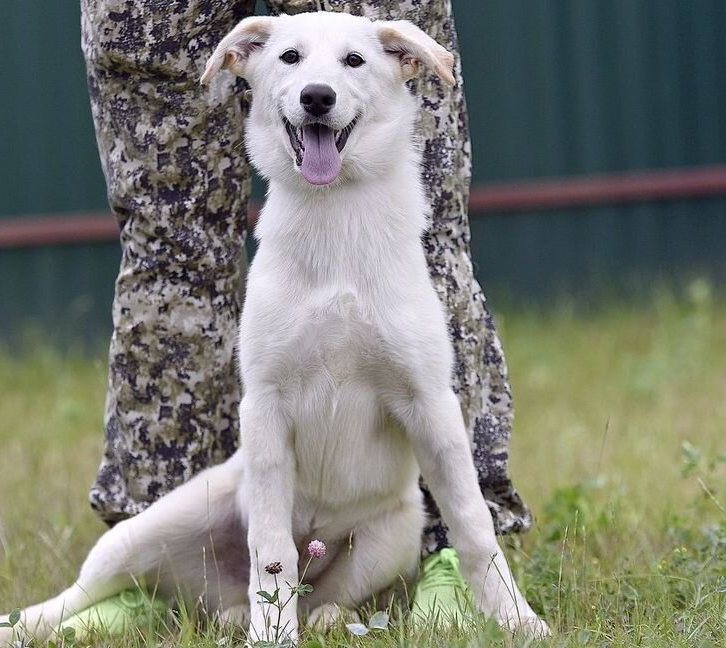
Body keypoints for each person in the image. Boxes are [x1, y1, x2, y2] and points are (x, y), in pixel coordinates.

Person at [71, 0, 532, 633]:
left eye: (348, 60)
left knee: (440, 247)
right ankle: (149, 582)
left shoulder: (386, 68)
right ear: (244, 60)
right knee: (171, 249)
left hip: (372, 514)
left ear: (404, 60)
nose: (316, 85)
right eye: (290, 59)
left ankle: (462, 563)